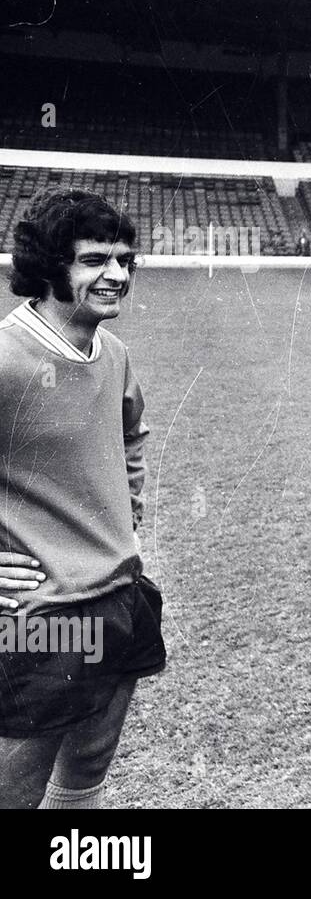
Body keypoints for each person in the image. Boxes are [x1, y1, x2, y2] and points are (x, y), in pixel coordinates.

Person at [0, 189, 166, 810]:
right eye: (95, 259)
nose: (117, 275)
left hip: (118, 594)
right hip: (41, 614)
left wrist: (129, 521)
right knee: (15, 787)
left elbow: (130, 442)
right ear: (49, 266)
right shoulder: (7, 356)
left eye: (125, 259)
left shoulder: (113, 353)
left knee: (89, 763)